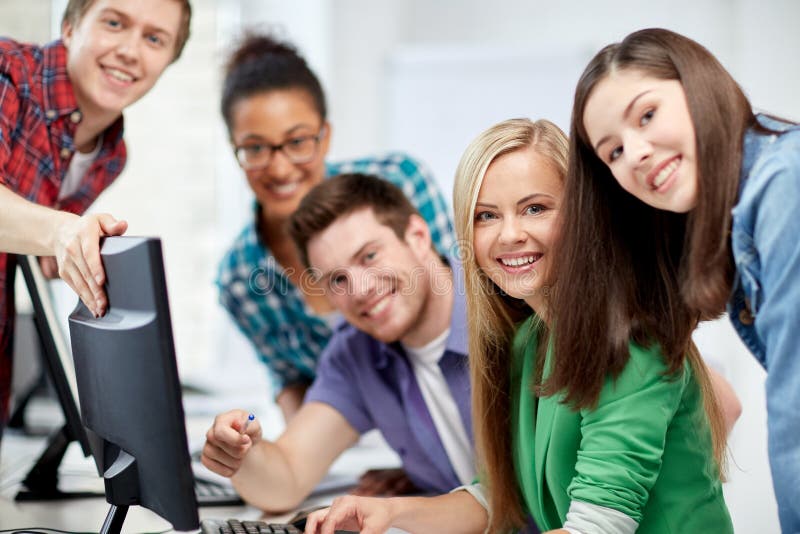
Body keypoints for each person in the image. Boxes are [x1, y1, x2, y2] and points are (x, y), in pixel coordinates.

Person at [304, 119, 734, 534]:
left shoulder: (628, 336)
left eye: (535, 208)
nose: (510, 235)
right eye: (486, 216)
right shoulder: (530, 342)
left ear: (583, 213)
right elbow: (501, 499)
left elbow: (596, 527)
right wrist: (388, 512)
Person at [572, 28, 799, 532]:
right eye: (612, 152)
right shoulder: (738, 212)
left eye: (647, 115)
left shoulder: (784, 184)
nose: (635, 153)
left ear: (696, 84)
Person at [216, 33, 454, 422]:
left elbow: (467, 306)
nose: (279, 168)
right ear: (234, 150)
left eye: (297, 141)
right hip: (358, 445)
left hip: (460, 412)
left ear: (325, 136)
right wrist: (294, 455)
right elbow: (292, 381)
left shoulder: (398, 183)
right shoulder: (240, 279)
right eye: (256, 148)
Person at [202, 173, 472, 511]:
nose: (360, 290)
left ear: (417, 237)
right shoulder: (356, 351)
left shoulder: (511, 309)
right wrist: (241, 452)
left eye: (369, 256)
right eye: (337, 279)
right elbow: (286, 478)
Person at [0, 0, 191, 444]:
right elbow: (50, 230)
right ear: (69, 27)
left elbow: (32, 244)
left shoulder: (109, 155)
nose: (130, 50)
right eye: (113, 23)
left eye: (154, 39)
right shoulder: (7, 74)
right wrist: (61, 231)